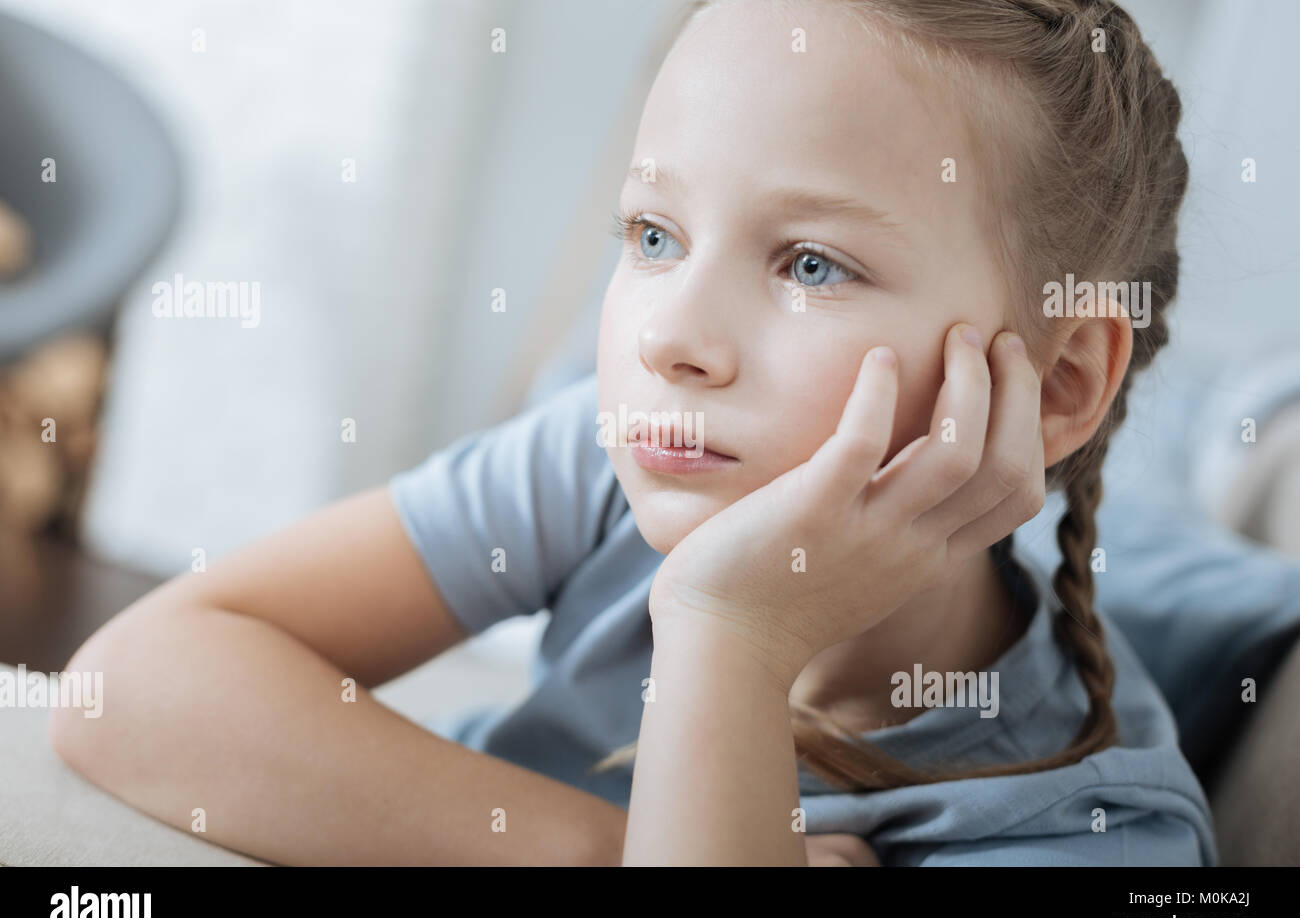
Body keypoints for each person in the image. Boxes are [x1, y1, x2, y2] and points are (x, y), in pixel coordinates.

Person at [54, 0, 1271, 865]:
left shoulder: (1087, 835)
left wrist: (730, 635)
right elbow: (124, 687)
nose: (670, 334)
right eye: (652, 236)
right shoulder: (618, 456)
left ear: (1058, 383)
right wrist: (598, 844)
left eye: (810, 262)